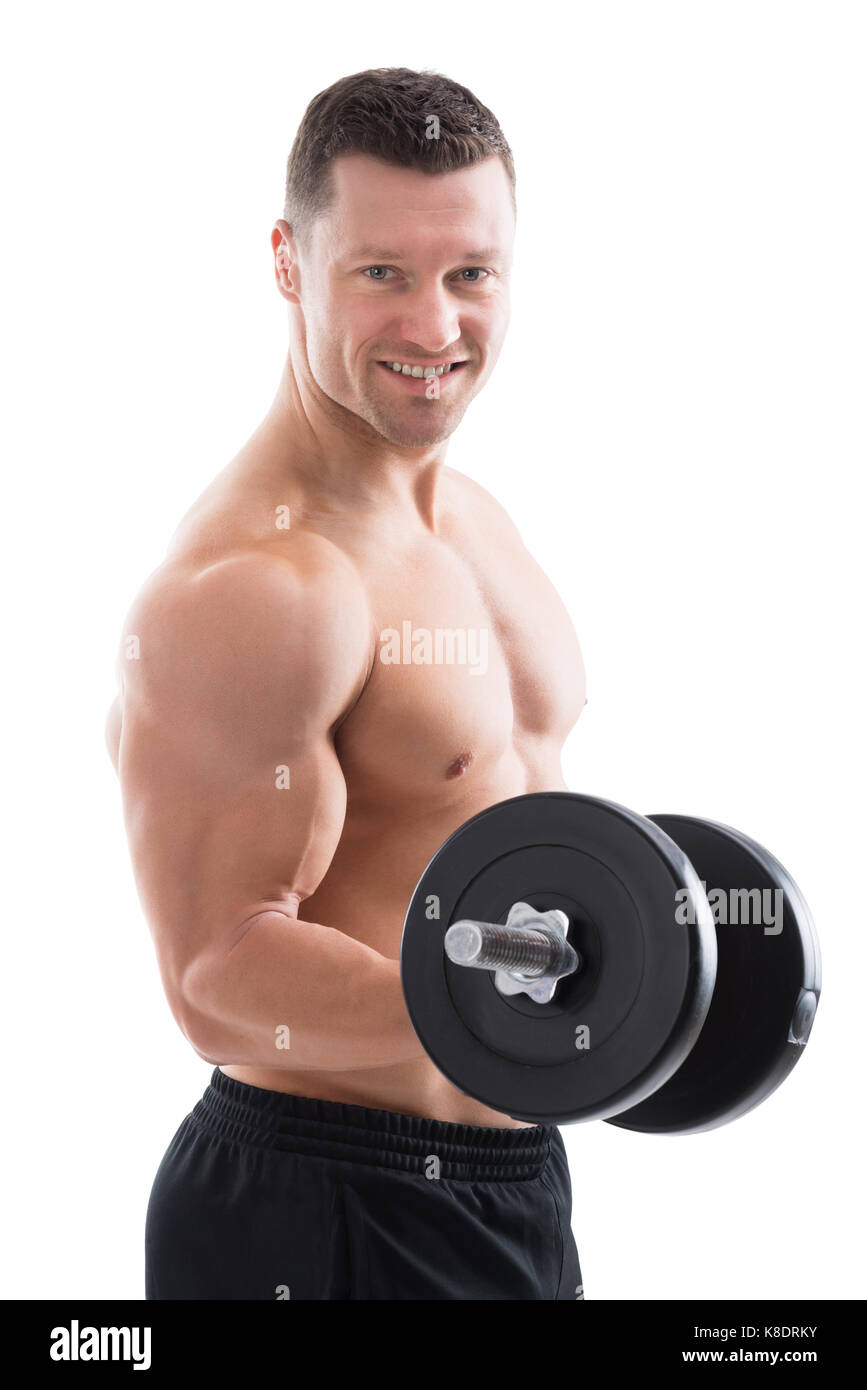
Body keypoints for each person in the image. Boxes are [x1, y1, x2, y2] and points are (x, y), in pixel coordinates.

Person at [107, 66, 587, 1300]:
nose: (435, 328)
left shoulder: (476, 526)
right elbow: (216, 977)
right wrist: (528, 1014)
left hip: (514, 1181)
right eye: (382, 273)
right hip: (323, 1205)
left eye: (470, 273)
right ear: (287, 262)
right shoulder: (262, 585)